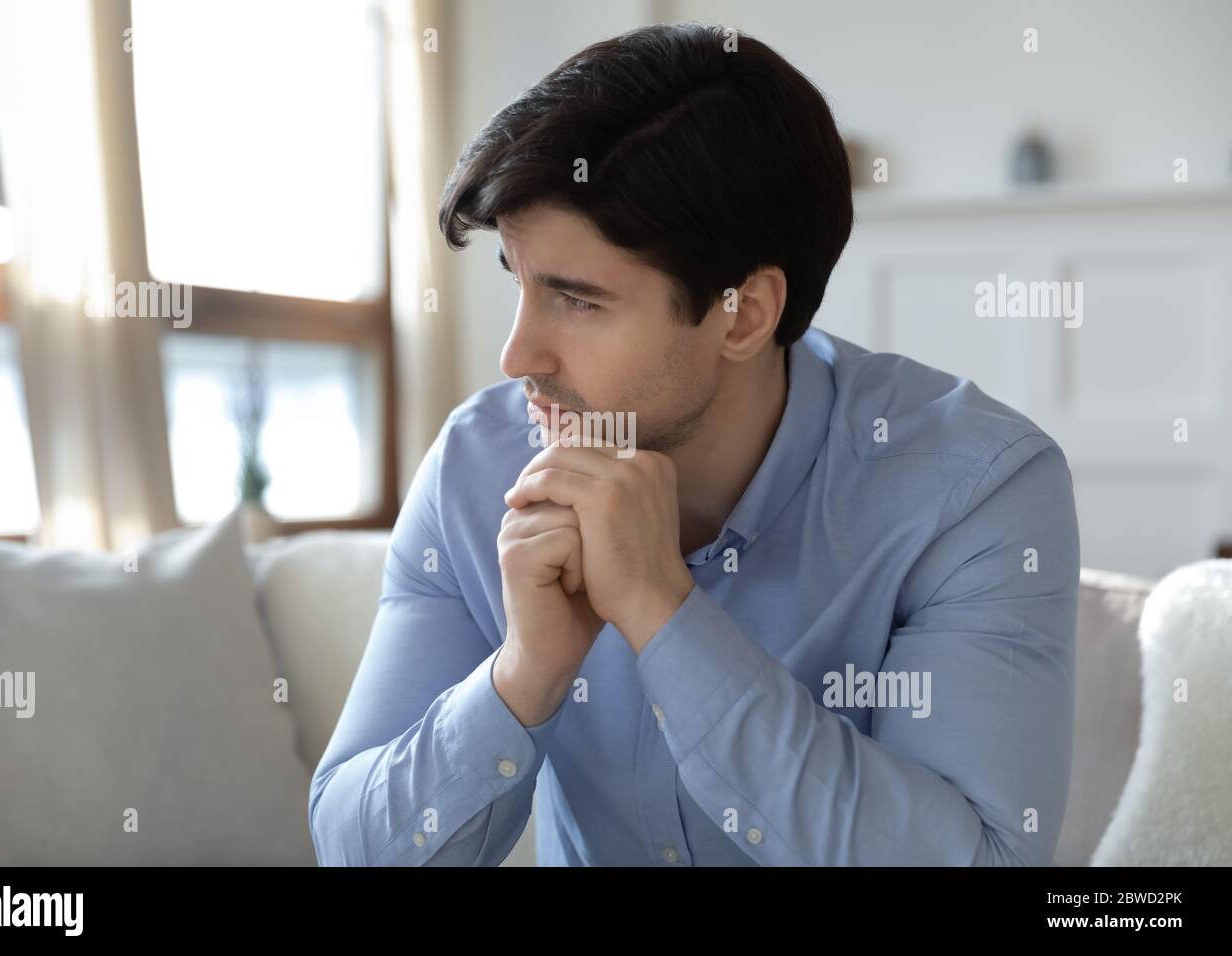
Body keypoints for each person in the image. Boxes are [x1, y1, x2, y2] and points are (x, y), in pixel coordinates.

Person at [309, 22, 1079, 866]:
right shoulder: (476, 466)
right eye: (520, 283)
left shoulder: (975, 489)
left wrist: (662, 615)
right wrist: (524, 673)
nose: (516, 357)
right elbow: (356, 850)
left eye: (577, 300)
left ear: (741, 314)